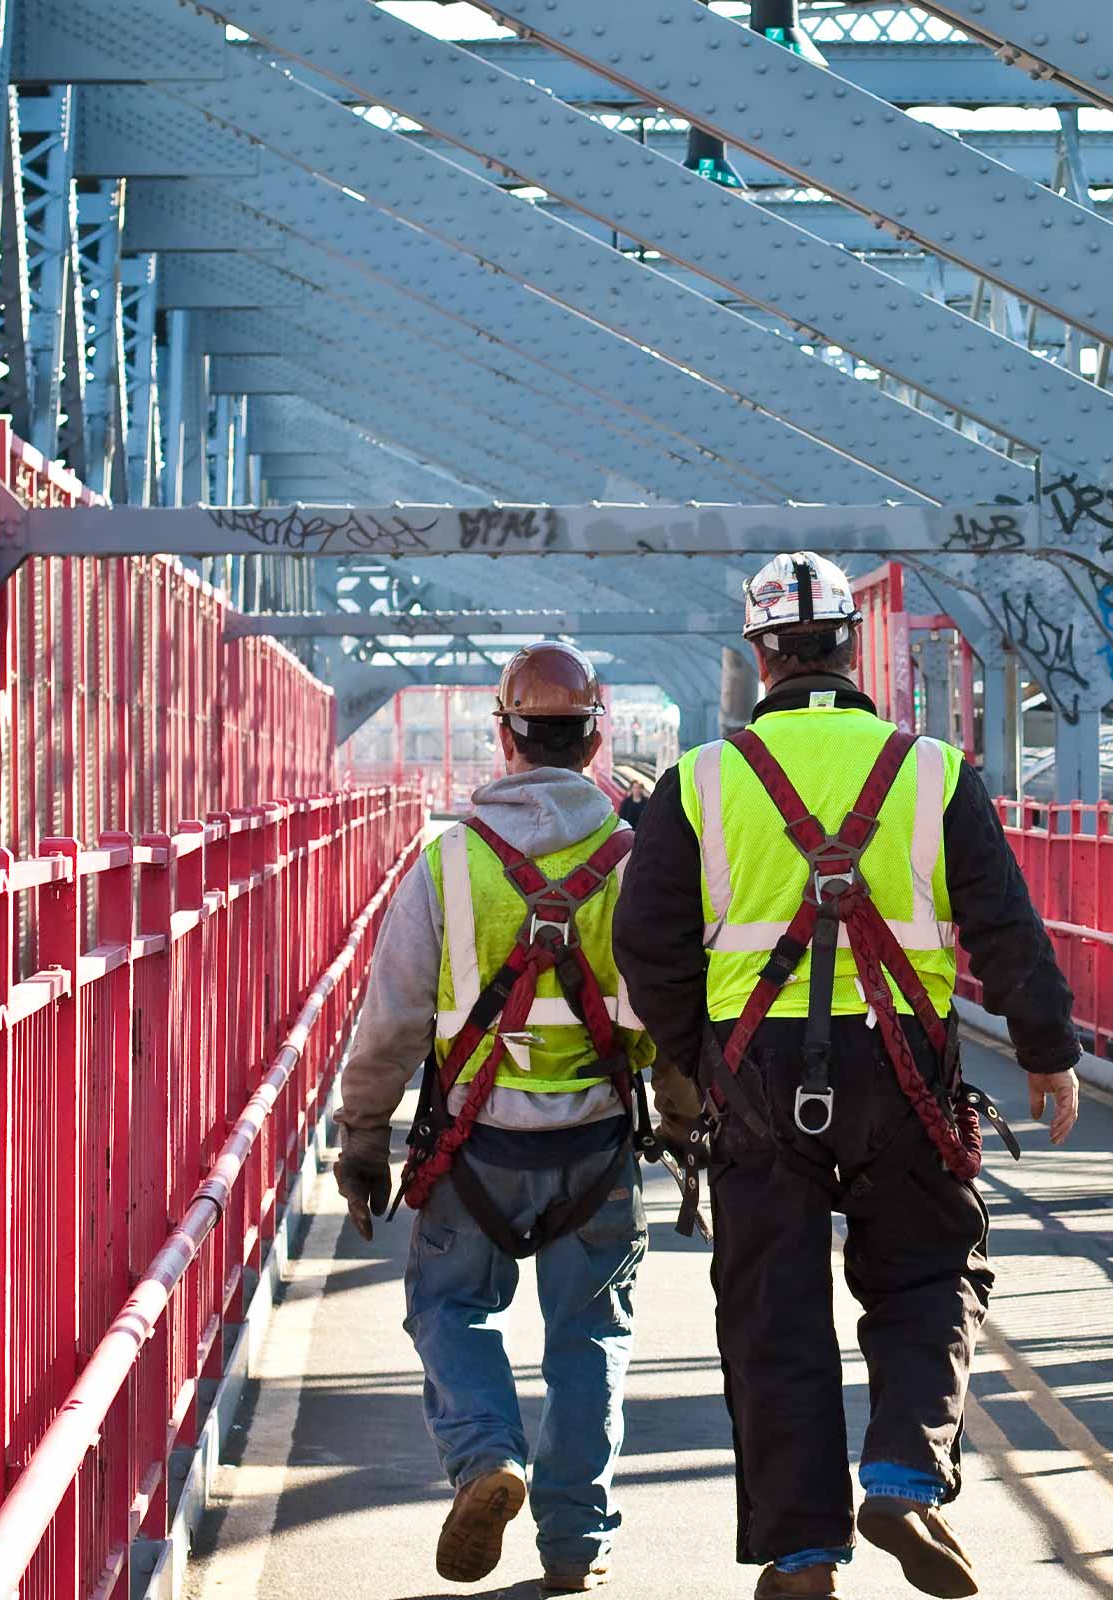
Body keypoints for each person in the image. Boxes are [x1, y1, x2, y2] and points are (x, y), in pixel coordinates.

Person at [615, 553, 1082, 1600]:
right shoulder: (931, 771)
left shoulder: (697, 782)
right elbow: (1004, 926)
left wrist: (705, 1060)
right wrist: (1046, 1051)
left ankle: (800, 1551)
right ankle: (905, 1471)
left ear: (758, 653)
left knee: (771, 1309)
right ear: (851, 645)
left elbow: (646, 945)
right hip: (901, 1062)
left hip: (753, 1069)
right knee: (928, 1270)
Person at [333, 640, 696, 1594]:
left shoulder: (448, 861)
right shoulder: (634, 859)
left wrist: (363, 1136)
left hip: (473, 1143)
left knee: (450, 1308)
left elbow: (394, 1016)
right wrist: (686, 1114)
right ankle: (576, 1543)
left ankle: (488, 1453)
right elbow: (672, 1000)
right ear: (595, 739)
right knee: (590, 1338)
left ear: (505, 737)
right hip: (597, 1141)